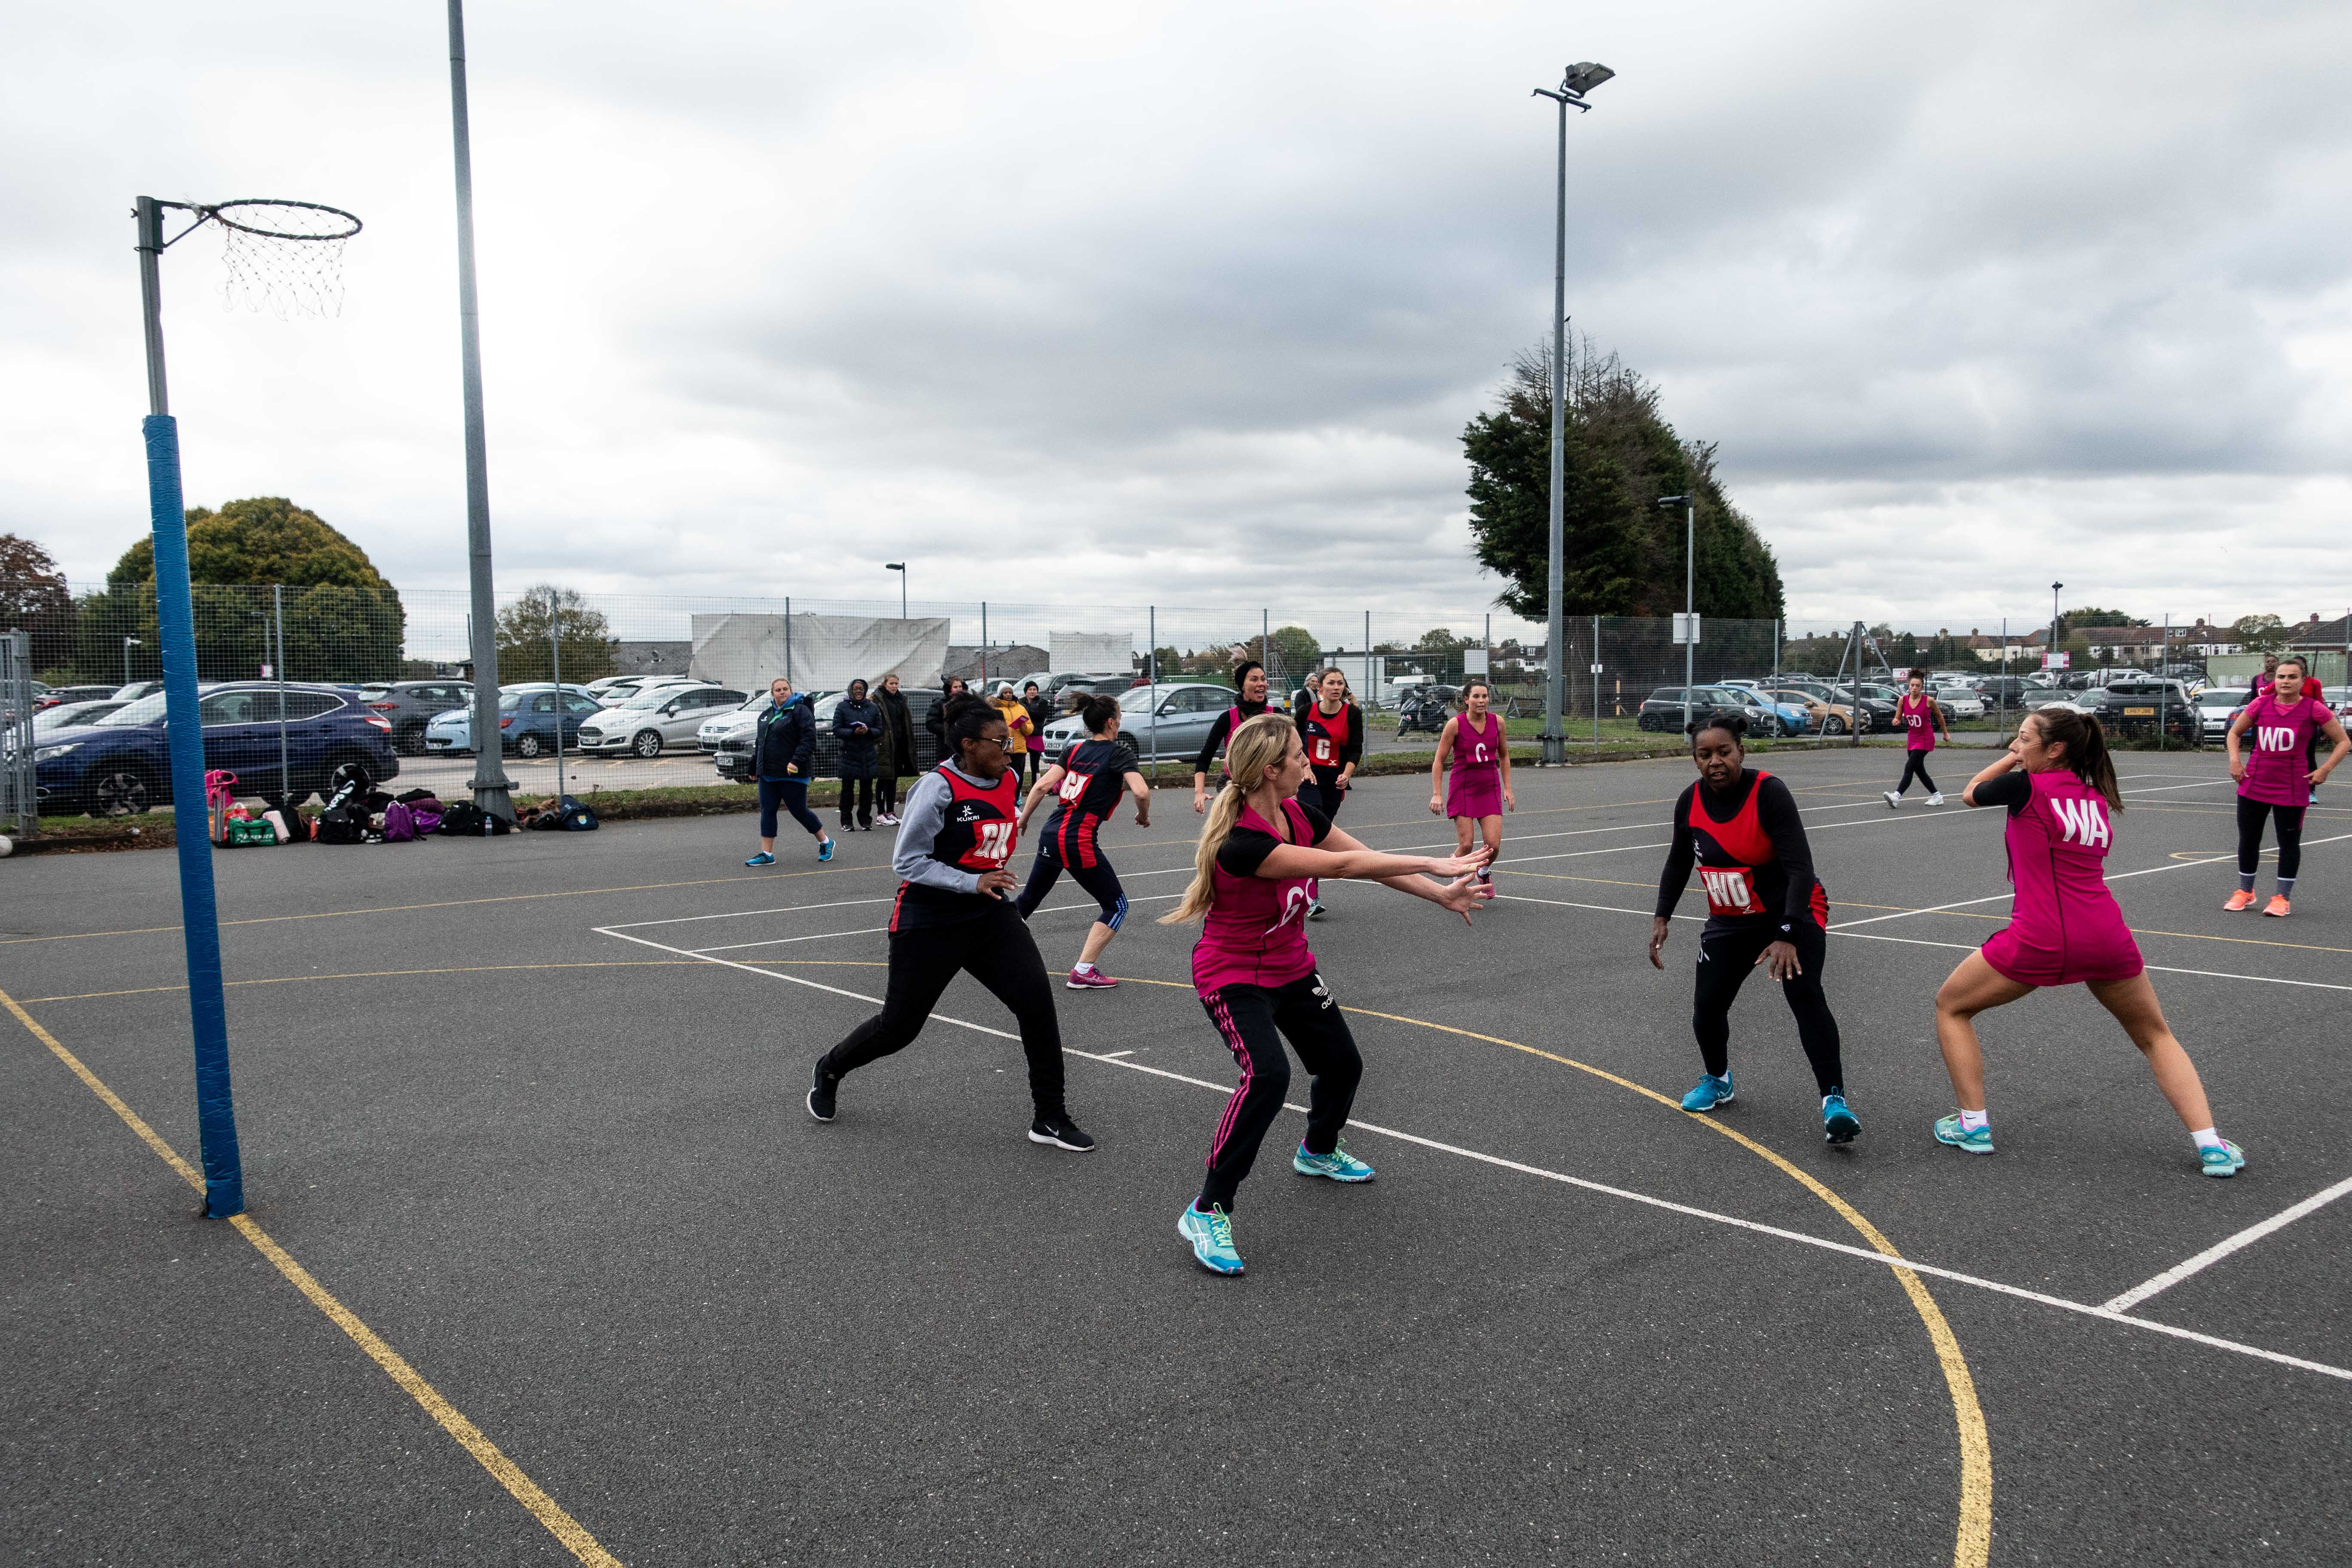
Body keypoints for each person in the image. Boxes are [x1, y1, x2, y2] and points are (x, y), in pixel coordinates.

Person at [1161, 714, 1492, 1276]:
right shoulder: (1243, 842)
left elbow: (1363, 857)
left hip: (1290, 966)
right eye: (1298, 756)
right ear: (1270, 771)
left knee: (1342, 1065)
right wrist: (1433, 859)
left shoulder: (1297, 814)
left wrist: (1439, 895)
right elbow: (1342, 867)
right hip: (1232, 973)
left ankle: (1316, 1151)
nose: (1309, 763)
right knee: (1267, 1076)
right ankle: (1208, 1207)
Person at [1931, 709, 2242, 1174]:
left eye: (2023, 738)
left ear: (2054, 749)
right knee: (2156, 1037)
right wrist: (2022, 753)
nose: (2017, 745)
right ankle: (2211, 1145)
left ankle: (1973, 1125)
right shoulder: (2095, 796)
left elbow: (1971, 794)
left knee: (1951, 1007)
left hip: (2041, 938)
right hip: (2105, 935)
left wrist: (2011, 760)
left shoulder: (2025, 787)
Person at [807, 695, 1095, 1152]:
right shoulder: (937, 787)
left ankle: (1050, 1116)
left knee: (1037, 1005)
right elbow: (908, 861)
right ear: (967, 745)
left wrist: (986, 880)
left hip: (990, 913)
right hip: (930, 918)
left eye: (1010, 741)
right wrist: (970, 881)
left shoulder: (1009, 778)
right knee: (899, 1028)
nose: (1009, 749)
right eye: (1000, 742)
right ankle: (831, 1067)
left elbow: (989, 841)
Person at [1649, 714, 1857, 1143]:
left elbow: (1801, 870)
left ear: (1741, 752)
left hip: (1792, 910)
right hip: (1731, 919)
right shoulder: (1689, 801)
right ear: (1695, 759)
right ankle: (1718, 1080)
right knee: (1707, 1007)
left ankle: (1834, 1101)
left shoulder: (1769, 793)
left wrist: (1785, 934)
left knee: (1804, 995)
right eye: (1705, 755)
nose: (1715, 762)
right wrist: (1662, 917)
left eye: (1724, 752)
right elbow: (1677, 862)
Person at [1015, 692, 1151, 987]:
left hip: (1051, 833)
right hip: (1079, 839)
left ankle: (986, 942)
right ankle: (1083, 970)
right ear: (1112, 723)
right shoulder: (1119, 753)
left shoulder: (1074, 750)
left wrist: (1024, 819)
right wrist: (1143, 815)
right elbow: (1141, 792)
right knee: (1117, 906)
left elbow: (1041, 787)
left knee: (1028, 900)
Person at [2223, 655, 2347, 917]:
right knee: (2248, 839)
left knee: (2288, 843)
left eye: (2292, 677)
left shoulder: (2314, 708)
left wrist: (2325, 769)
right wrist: (2236, 761)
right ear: (2275, 680)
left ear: (2303, 681)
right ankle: (2246, 891)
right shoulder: (2260, 704)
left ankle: (2282, 897)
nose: (2286, 681)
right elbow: (2234, 733)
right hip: (2254, 782)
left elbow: (2344, 742)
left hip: (2292, 787)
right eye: (2281, 677)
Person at [1429, 677, 1513, 885]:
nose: (1481, 700)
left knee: (1493, 845)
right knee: (1466, 845)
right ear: (1466, 700)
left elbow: (1504, 756)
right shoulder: (1455, 724)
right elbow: (1439, 760)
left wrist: (1508, 788)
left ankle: (1483, 871)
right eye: (1476, 696)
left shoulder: (1498, 722)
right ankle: (1456, 876)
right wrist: (1437, 794)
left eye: (1485, 696)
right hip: (1463, 788)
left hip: (1489, 786)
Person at [1294, 669, 1363, 920]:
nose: (1336, 687)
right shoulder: (1306, 713)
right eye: (1331, 683)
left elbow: (1356, 749)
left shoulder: (1352, 714)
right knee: (1312, 830)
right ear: (1320, 689)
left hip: (1334, 782)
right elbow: (1292, 743)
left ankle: (1297, 874)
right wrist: (1305, 766)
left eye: (1340, 683)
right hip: (1307, 780)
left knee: (1318, 837)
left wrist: (1347, 774)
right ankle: (1311, 896)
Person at [747, 677, 834, 867]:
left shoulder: (800, 712)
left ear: (791, 691)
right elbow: (760, 743)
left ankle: (826, 842)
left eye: (785, 689)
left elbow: (809, 739)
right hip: (768, 774)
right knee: (768, 811)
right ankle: (767, 854)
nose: (782, 692)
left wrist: (796, 761)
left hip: (792, 773)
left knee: (799, 811)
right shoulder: (766, 715)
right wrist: (754, 765)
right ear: (772, 694)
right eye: (778, 690)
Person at [1191, 659, 1271, 814]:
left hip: (1266, 785)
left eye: (1263, 678)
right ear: (1242, 685)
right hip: (1233, 785)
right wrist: (1199, 793)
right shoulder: (1228, 718)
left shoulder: (1275, 715)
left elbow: (1292, 751)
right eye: (1254, 680)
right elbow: (1205, 757)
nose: (1261, 683)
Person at [1885, 668, 1954, 807]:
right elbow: (1897, 718)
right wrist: (1896, 721)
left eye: (1918, 686)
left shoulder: (1929, 701)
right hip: (1912, 739)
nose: (1915, 688)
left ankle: (1896, 796)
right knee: (1919, 770)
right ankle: (1937, 796)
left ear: (1922, 687)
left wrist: (1945, 733)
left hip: (1926, 738)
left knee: (1909, 766)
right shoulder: (1902, 701)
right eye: (1912, 685)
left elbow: (1939, 716)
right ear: (1909, 686)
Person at [833, 679, 882, 831]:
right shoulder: (842, 707)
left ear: (865, 690)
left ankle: (865, 820)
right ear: (850, 691)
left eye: (861, 689)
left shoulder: (873, 708)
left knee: (867, 789)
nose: (858, 692)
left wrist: (869, 731)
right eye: (856, 689)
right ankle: (846, 821)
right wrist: (853, 732)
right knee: (847, 789)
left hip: (868, 754)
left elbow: (880, 730)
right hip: (849, 753)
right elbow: (837, 730)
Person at [873, 672, 918, 827]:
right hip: (885, 746)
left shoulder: (900, 700)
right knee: (883, 780)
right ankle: (881, 813)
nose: (894, 687)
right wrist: (880, 741)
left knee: (894, 779)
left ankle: (891, 811)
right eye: (891, 684)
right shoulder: (878, 699)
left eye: (896, 684)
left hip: (899, 744)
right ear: (885, 684)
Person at [989, 683, 1035, 785]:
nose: (1008, 695)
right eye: (1005, 693)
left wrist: (1024, 727)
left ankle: (1018, 796)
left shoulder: (1021, 709)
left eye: (1010, 692)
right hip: (1004, 749)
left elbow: (1030, 728)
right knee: (1006, 776)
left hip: (1019, 749)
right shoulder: (997, 710)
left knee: (1019, 775)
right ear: (1001, 694)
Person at [925, 677, 970, 759]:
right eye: (955, 687)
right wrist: (949, 730)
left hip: (964, 747)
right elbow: (931, 724)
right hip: (946, 748)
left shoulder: (967, 704)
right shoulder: (939, 704)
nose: (959, 689)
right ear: (950, 689)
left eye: (960, 687)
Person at [1021, 681, 1054, 786]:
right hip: (1023, 735)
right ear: (1026, 692)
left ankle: (1036, 787)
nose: (1032, 692)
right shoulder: (1020, 702)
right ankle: (1019, 787)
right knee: (1021, 764)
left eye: (1035, 689)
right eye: (1030, 689)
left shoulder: (1042, 703)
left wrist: (1027, 713)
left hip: (1036, 736)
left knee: (1035, 765)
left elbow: (1040, 715)